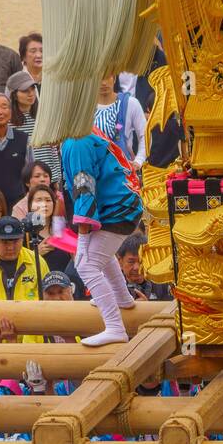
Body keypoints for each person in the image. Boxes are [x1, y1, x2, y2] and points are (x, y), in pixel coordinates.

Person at [61, 128, 143, 346]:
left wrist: (83, 239)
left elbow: (84, 189)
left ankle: (115, 327)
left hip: (117, 209)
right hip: (124, 204)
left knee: (86, 264)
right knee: (102, 255)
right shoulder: (85, 132)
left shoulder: (77, 141)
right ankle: (123, 297)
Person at [8, 69, 60, 181]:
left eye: (32, 89)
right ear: (15, 95)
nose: (31, 94)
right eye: (25, 91)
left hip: (48, 176)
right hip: (23, 179)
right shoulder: (8, 121)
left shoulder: (44, 115)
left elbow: (52, 150)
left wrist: (56, 178)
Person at [118, 232, 172, 301]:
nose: (137, 268)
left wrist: (146, 307)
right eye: (131, 262)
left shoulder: (161, 282)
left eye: (142, 261)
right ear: (120, 262)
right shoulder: (112, 286)